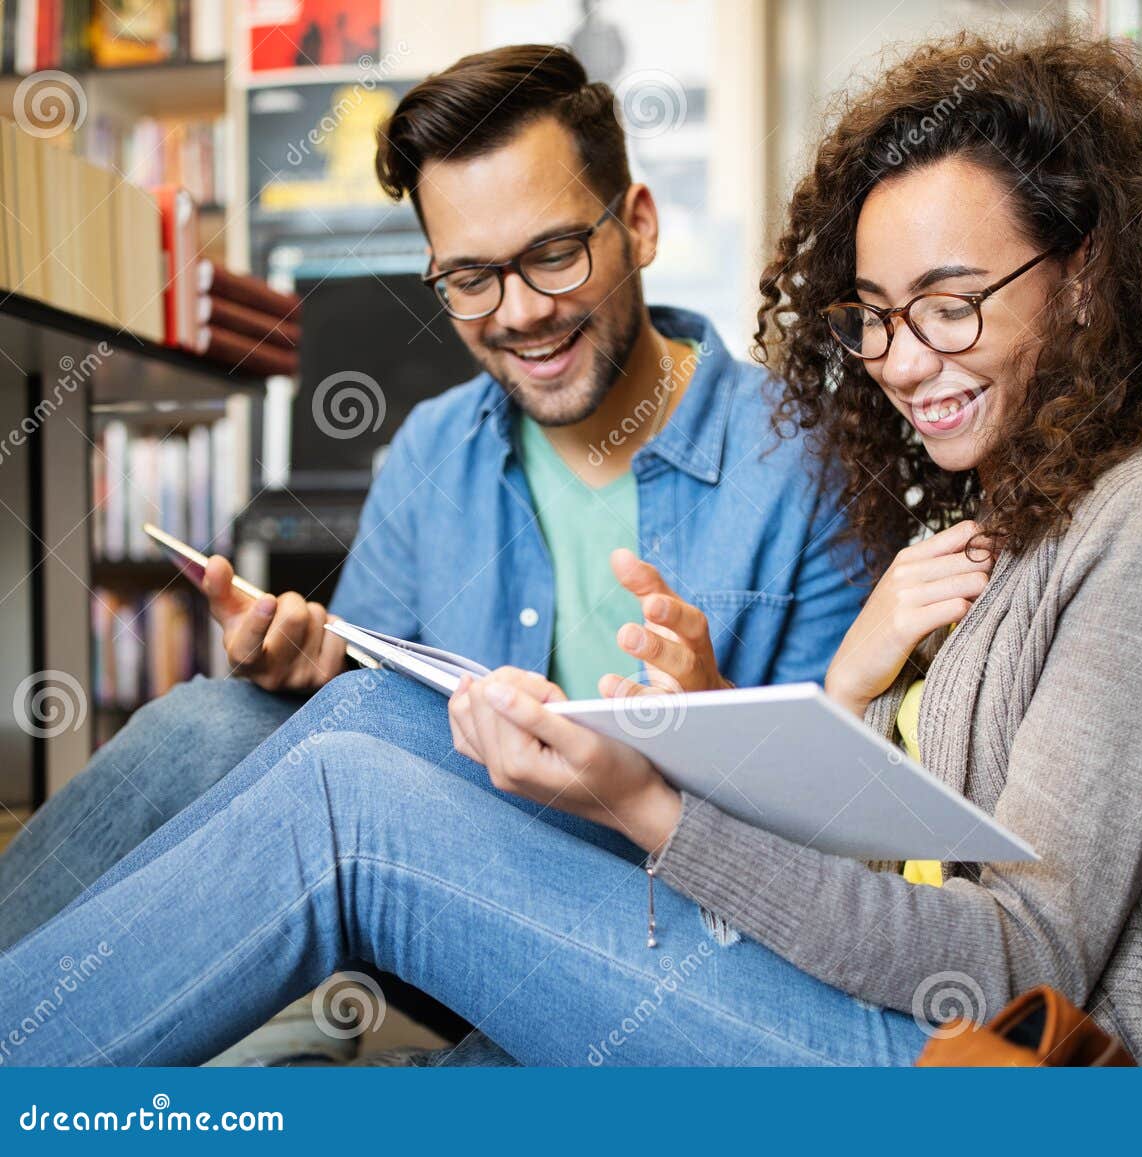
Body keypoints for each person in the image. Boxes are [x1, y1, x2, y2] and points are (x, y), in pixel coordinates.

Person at [0, 25, 1142, 1067]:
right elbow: (887, 849)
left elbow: (1010, 957)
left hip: (971, 1064)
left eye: (949, 305)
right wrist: (847, 683)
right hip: (838, 983)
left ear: (1083, 276)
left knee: (349, 796)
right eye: (876, 317)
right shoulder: (981, 525)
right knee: (274, 724)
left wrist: (650, 792)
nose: (901, 361)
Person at [0, 45, 863, 1059]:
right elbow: (364, 717)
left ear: (637, 223)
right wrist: (308, 668)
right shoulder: (432, 450)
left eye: (554, 253)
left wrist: (708, 716)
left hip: (672, 927)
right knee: (210, 724)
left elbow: (844, 836)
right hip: (437, 889)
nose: (521, 312)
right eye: (469, 277)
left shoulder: (805, 457)